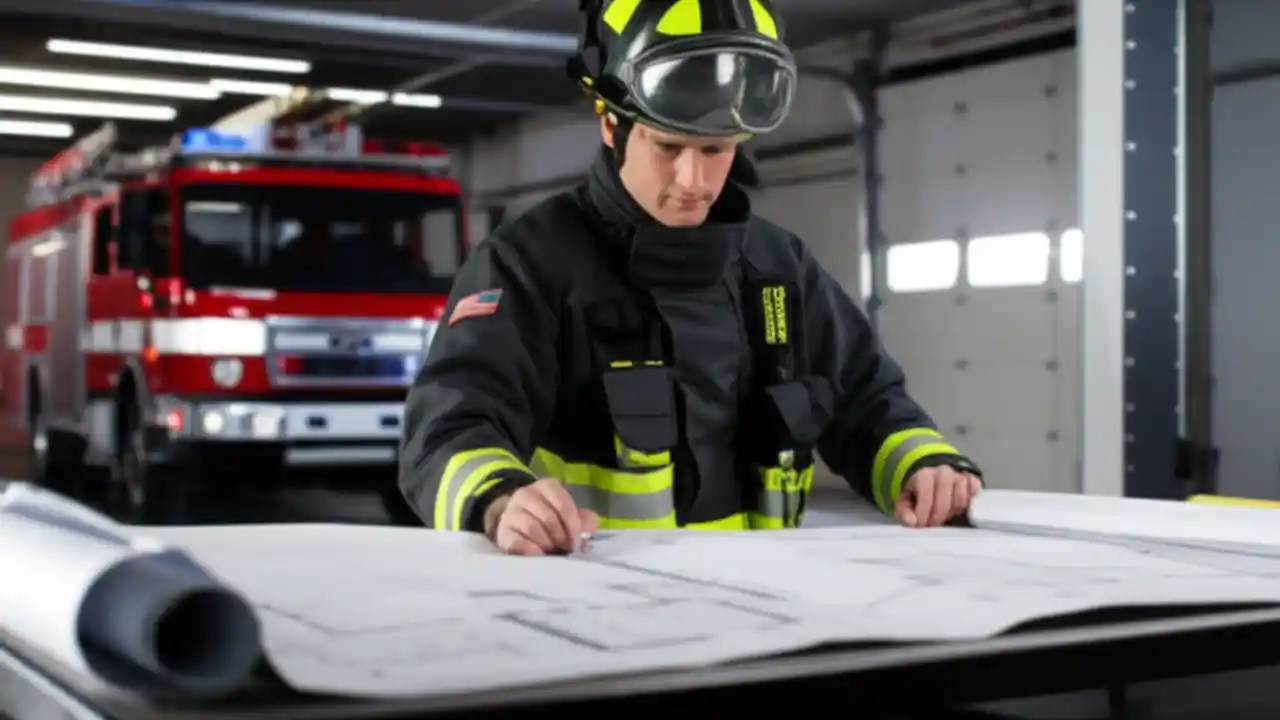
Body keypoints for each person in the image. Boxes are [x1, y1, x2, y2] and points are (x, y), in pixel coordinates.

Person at [398, 0, 983, 555]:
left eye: (716, 149)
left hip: (769, 618)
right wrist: (501, 501)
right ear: (611, 124)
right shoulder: (530, 265)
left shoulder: (778, 269)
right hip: (590, 616)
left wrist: (921, 464)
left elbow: (867, 397)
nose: (693, 180)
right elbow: (449, 427)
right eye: (669, 145)